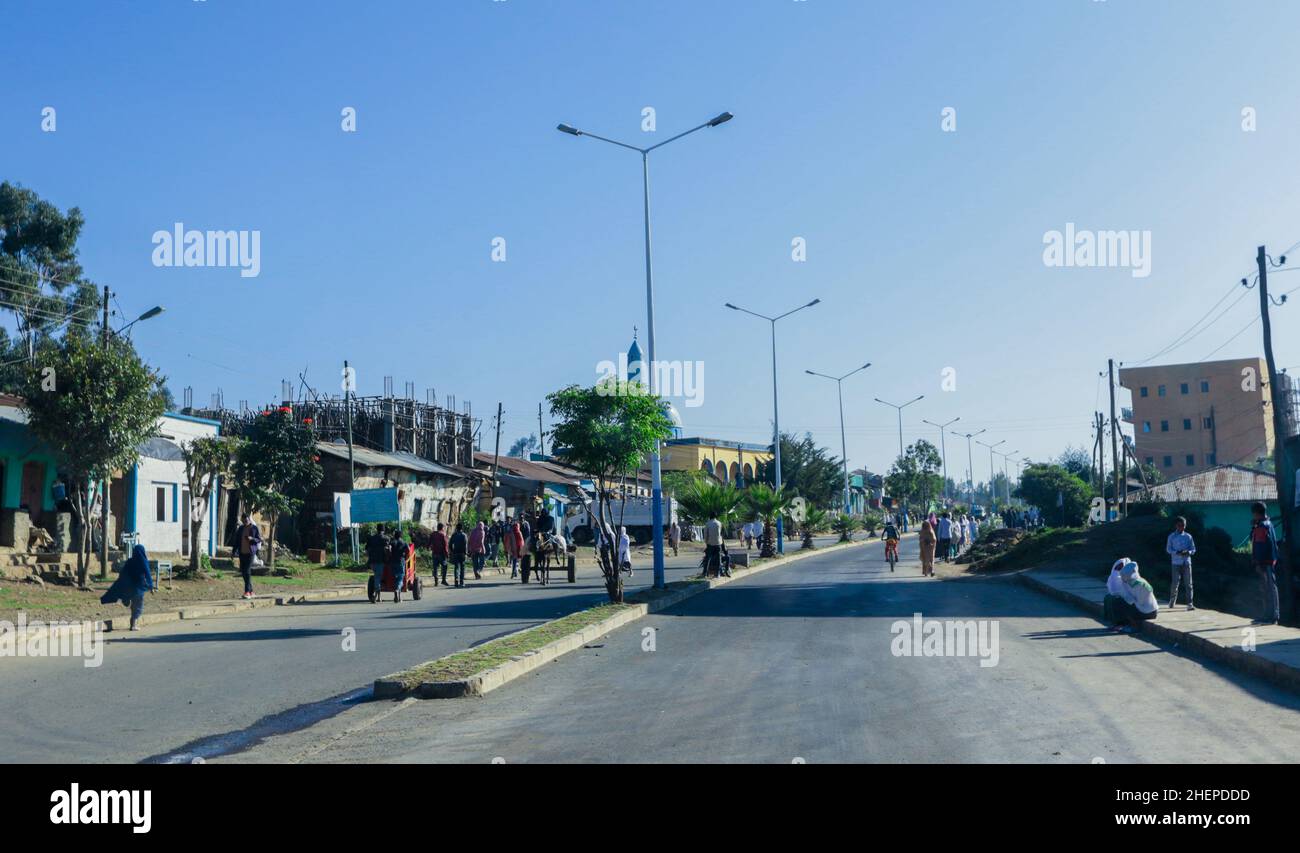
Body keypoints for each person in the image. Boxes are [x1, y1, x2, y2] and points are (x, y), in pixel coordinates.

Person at [100, 543, 153, 631]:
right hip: (138, 587)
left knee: (131, 600)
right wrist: (151, 586)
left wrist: (121, 583)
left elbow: (123, 573)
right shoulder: (143, 561)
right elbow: (147, 574)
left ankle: (126, 599)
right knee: (137, 605)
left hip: (129, 587)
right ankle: (133, 624)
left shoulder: (129, 561)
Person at [1248, 501, 1281, 625]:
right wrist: (1254, 527)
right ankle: (1269, 615)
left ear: (1256, 513)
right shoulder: (1267, 524)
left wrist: (1258, 563)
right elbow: (1253, 538)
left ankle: (1272, 616)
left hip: (1265, 562)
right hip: (1269, 560)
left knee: (1269, 589)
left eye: (1253, 514)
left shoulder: (1262, 526)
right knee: (1268, 588)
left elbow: (1260, 546)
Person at [1115, 561, 1158, 631]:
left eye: (1123, 576)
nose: (1122, 578)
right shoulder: (1131, 582)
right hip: (1143, 609)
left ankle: (1134, 627)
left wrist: (1127, 598)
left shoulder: (1139, 584)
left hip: (1149, 612)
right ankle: (1124, 624)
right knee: (1120, 601)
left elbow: (1137, 602)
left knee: (1124, 605)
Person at [1165, 516, 1196, 610]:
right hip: (1176, 562)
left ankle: (1190, 603)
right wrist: (1176, 552)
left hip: (1186, 562)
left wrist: (1189, 552)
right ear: (1176, 525)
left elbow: (1193, 549)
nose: (1182, 527)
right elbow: (1168, 549)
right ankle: (1172, 600)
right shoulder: (1171, 536)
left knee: (1189, 584)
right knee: (1175, 583)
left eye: (1183, 525)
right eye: (1180, 525)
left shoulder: (1188, 536)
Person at [234, 514, 261, 600]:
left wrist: (252, 538)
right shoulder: (241, 529)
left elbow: (259, 539)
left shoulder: (254, 528)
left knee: (247, 571)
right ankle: (251, 591)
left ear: (249, 520)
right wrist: (233, 551)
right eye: (243, 521)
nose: (245, 522)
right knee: (243, 571)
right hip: (242, 553)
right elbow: (237, 541)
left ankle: (247, 592)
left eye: (246, 520)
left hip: (250, 553)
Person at [365, 524, 390, 603]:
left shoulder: (371, 538)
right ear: (383, 530)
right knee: (377, 578)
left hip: (372, 562)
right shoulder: (386, 538)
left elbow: (366, 550)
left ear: (377, 529)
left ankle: (379, 597)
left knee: (377, 577)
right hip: (380, 561)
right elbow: (388, 550)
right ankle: (376, 597)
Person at [1103, 557, 1129, 627]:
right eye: (1118, 566)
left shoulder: (1129, 576)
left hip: (1127, 598)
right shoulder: (1112, 576)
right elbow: (1111, 590)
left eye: (1121, 566)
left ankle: (1120, 623)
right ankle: (1112, 621)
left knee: (1117, 601)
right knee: (1107, 598)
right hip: (1117, 596)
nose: (1119, 568)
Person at [387, 529, 407, 602]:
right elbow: (408, 550)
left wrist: (390, 555)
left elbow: (389, 549)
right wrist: (404, 556)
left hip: (392, 562)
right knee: (400, 578)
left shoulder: (392, 542)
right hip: (400, 562)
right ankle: (397, 589)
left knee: (395, 578)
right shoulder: (403, 542)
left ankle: (398, 597)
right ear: (401, 535)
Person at [449, 523, 469, 587]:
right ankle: (461, 582)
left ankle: (456, 581)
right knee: (462, 568)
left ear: (456, 528)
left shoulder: (454, 535)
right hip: (462, 553)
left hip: (455, 553)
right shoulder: (464, 535)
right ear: (462, 528)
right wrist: (466, 553)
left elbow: (450, 544)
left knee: (456, 567)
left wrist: (452, 551)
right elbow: (465, 545)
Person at [703, 513, 723, 578]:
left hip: (710, 543)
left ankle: (705, 573)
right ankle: (718, 573)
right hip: (718, 543)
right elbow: (720, 533)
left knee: (708, 558)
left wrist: (706, 542)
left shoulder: (708, 523)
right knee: (718, 558)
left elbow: (705, 534)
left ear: (710, 517)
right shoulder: (719, 523)